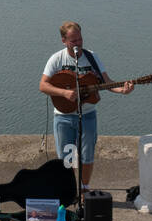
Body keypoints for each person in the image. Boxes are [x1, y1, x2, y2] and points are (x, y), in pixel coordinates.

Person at [38, 21, 133, 193]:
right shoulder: (56, 59)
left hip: (87, 115)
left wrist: (122, 90)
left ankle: (84, 189)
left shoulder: (92, 57)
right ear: (64, 41)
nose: (78, 44)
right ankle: (68, 190)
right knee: (67, 158)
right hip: (63, 116)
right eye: (73, 41)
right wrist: (64, 93)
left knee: (87, 155)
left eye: (80, 39)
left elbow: (107, 82)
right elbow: (43, 86)